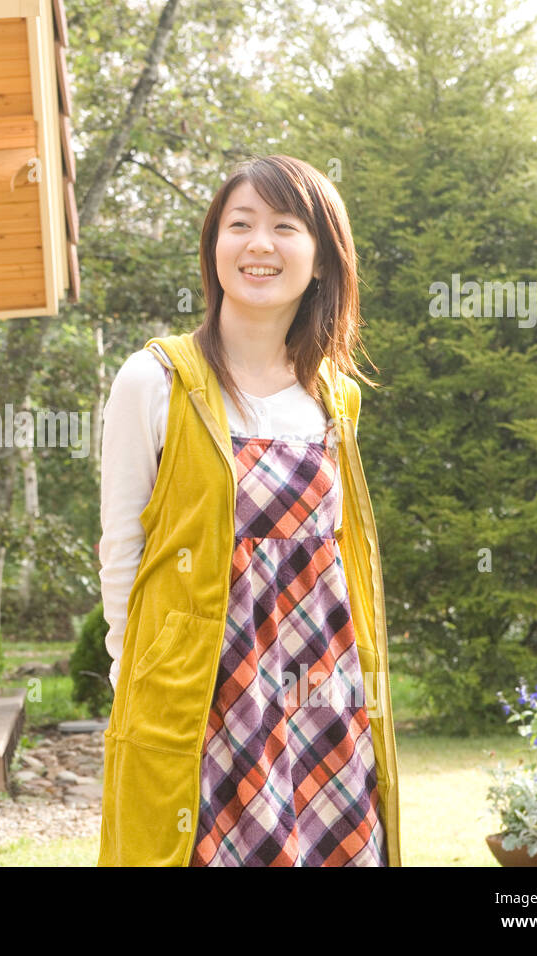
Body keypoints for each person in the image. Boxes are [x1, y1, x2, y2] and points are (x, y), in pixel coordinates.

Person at [97, 154, 400, 866]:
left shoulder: (335, 397)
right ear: (214, 248)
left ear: (322, 257)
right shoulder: (156, 378)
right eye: (240, 225)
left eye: (284, 226)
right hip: (208, 693)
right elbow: (121, 547)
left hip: (325, 696)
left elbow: (341, 555)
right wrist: (129, 673)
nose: (259, 243)